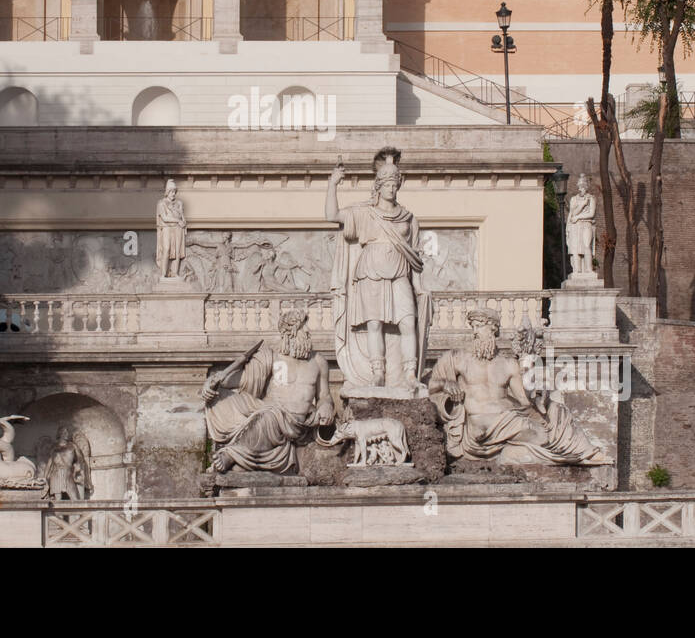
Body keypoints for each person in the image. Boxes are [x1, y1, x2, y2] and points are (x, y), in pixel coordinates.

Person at [429, 311, 612, 465]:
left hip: (509, 419)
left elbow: (524, 401)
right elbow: (430, 388)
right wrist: (446, 384)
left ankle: (586, 453)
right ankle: (569, 454)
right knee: (543, 437)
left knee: (556, 413)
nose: (475, 332)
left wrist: (539, 400)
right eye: (473, 327)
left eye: (479, 326)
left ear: (493, 329)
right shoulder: (457, 358)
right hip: (478, 423)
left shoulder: (509, 364)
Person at [326, 148, 428, 391]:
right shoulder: (365, 213)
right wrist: (333, 184)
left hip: (400, 272)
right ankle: (378, 373)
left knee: (407, 322)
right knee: (374, 324)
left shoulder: (408, 218)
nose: (392, 189)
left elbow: (415, 257)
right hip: (370, 272)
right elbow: (332, 215)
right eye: (388, 184)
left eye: (395, 184)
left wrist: (420, 288)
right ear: (379, 186)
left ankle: (410, 374)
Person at [201, 310, 335, 473]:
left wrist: (326, 405)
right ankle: (238, 456)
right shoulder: (273, 358)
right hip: (268, 411)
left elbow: (324, 396)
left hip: (298, 422)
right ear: (289, 333)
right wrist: (211, 383)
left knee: (269, 416)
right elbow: (236, 381)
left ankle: (231, 455)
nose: (308, 331)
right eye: (303, 327)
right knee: (226, 398)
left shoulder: (318, 361)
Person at [155, 180, 187, 279]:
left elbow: (183, 217)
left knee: (177, 251)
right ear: (167, 192)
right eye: (171, 191)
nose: (173, 194)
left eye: (174, 191)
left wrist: (183, 222)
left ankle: (175, 273)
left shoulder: (179, 203)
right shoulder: (161, 203)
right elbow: (164, 218)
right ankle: (163, 274)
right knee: (166, 249)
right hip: (167, 228)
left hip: (178, 229)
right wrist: (178, 221)